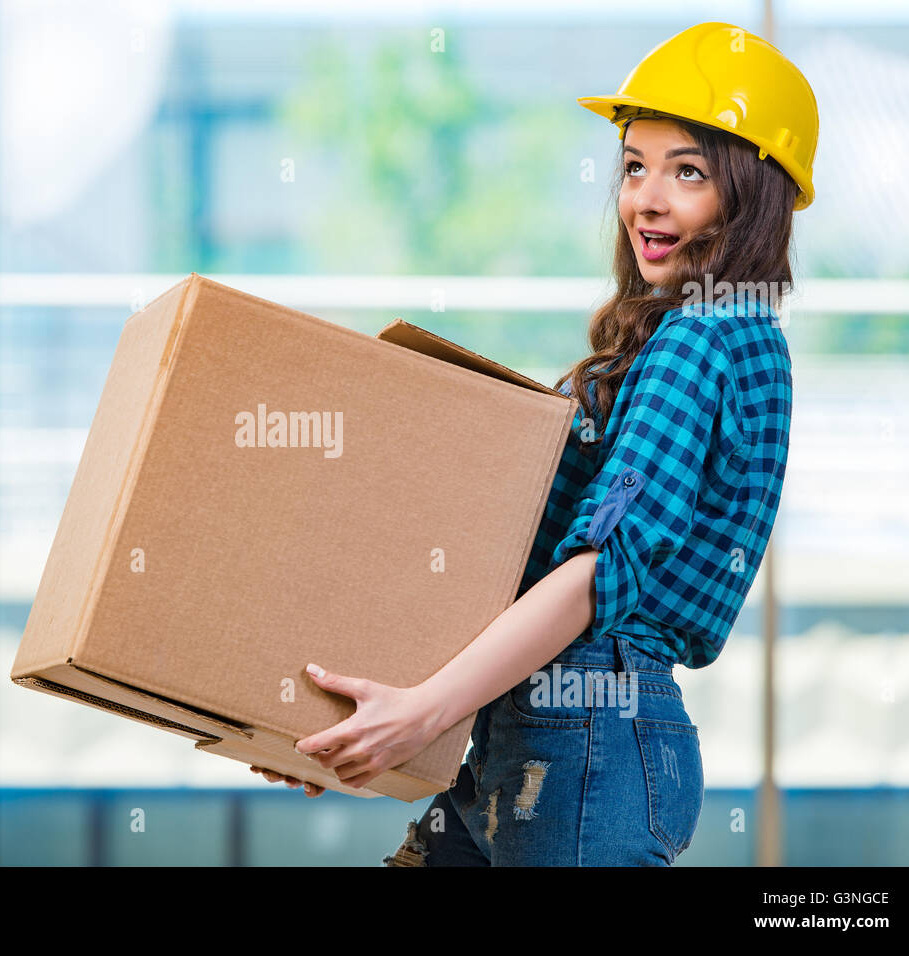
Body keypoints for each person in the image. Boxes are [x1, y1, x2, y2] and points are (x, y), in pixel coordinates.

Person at [250, 20, 815, 865]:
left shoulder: (704, 339)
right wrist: (376, 723)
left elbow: (595, 575)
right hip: (546, 735)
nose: (645, 200)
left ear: (753, 195)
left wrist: (424, 711)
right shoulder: (723, 337)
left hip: (588, 744)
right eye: (634, 167)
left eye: (688, 172)